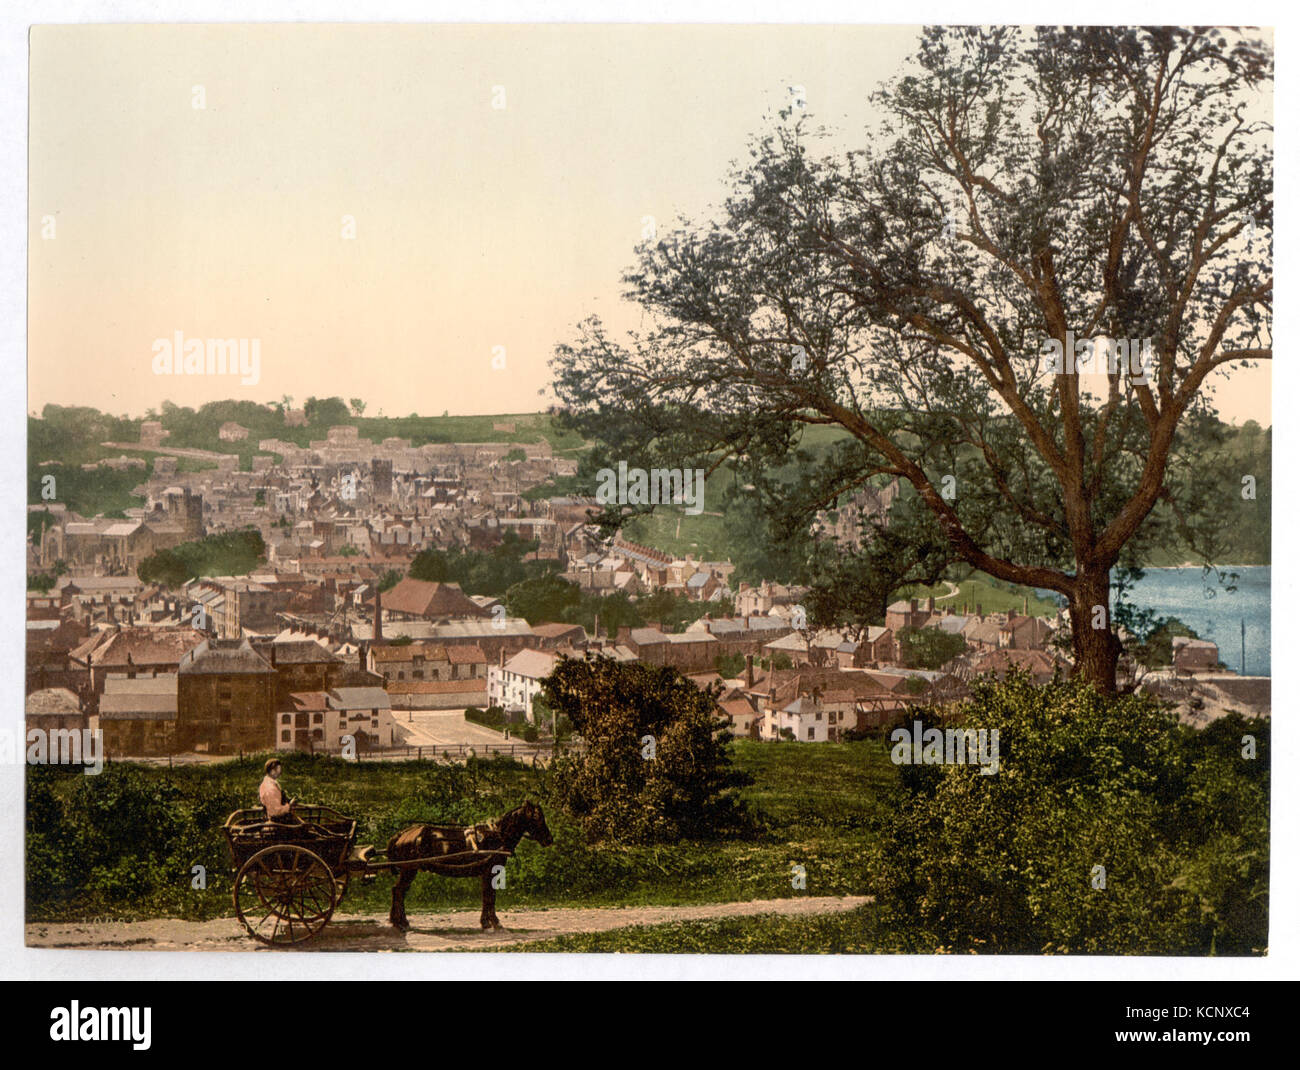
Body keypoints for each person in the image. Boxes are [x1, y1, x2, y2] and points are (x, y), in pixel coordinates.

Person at [259, 759, 302, 825]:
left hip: (278, 818)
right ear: (272, 771)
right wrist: (289, 805)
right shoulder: (270, 788)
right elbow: (275, 812)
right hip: (278, 822)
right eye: (278, 770)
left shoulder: (267, 783)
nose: (280, 773)